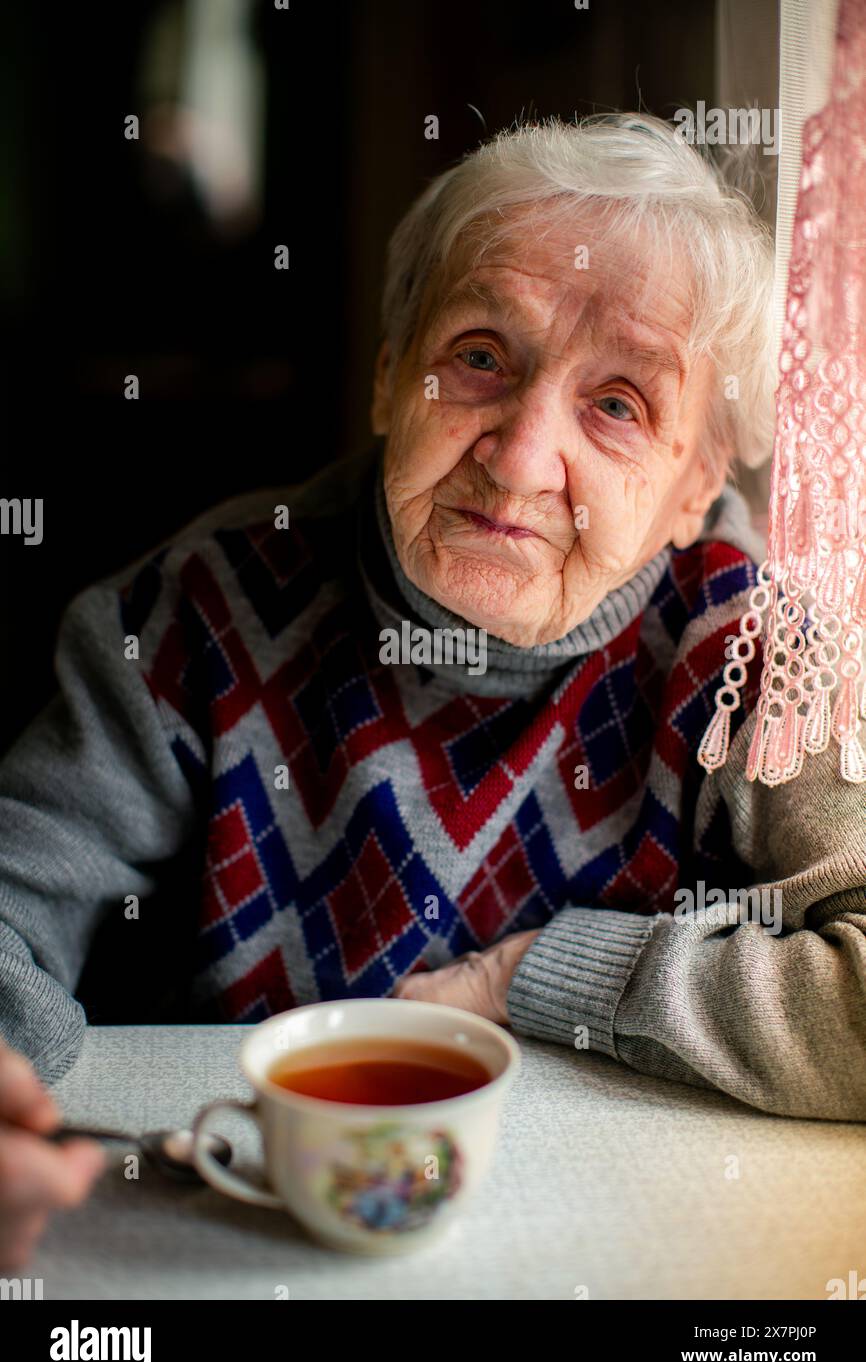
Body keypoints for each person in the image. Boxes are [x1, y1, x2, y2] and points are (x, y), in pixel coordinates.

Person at [2, 115, 865, 1269]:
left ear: (694, 480)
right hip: (234, 1238)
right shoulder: (187, 612)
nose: (515, 459)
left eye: (617, 403)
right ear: (384, 375)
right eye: (477, 356)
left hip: (599, 1251)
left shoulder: (753, 653)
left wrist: (539, 977)